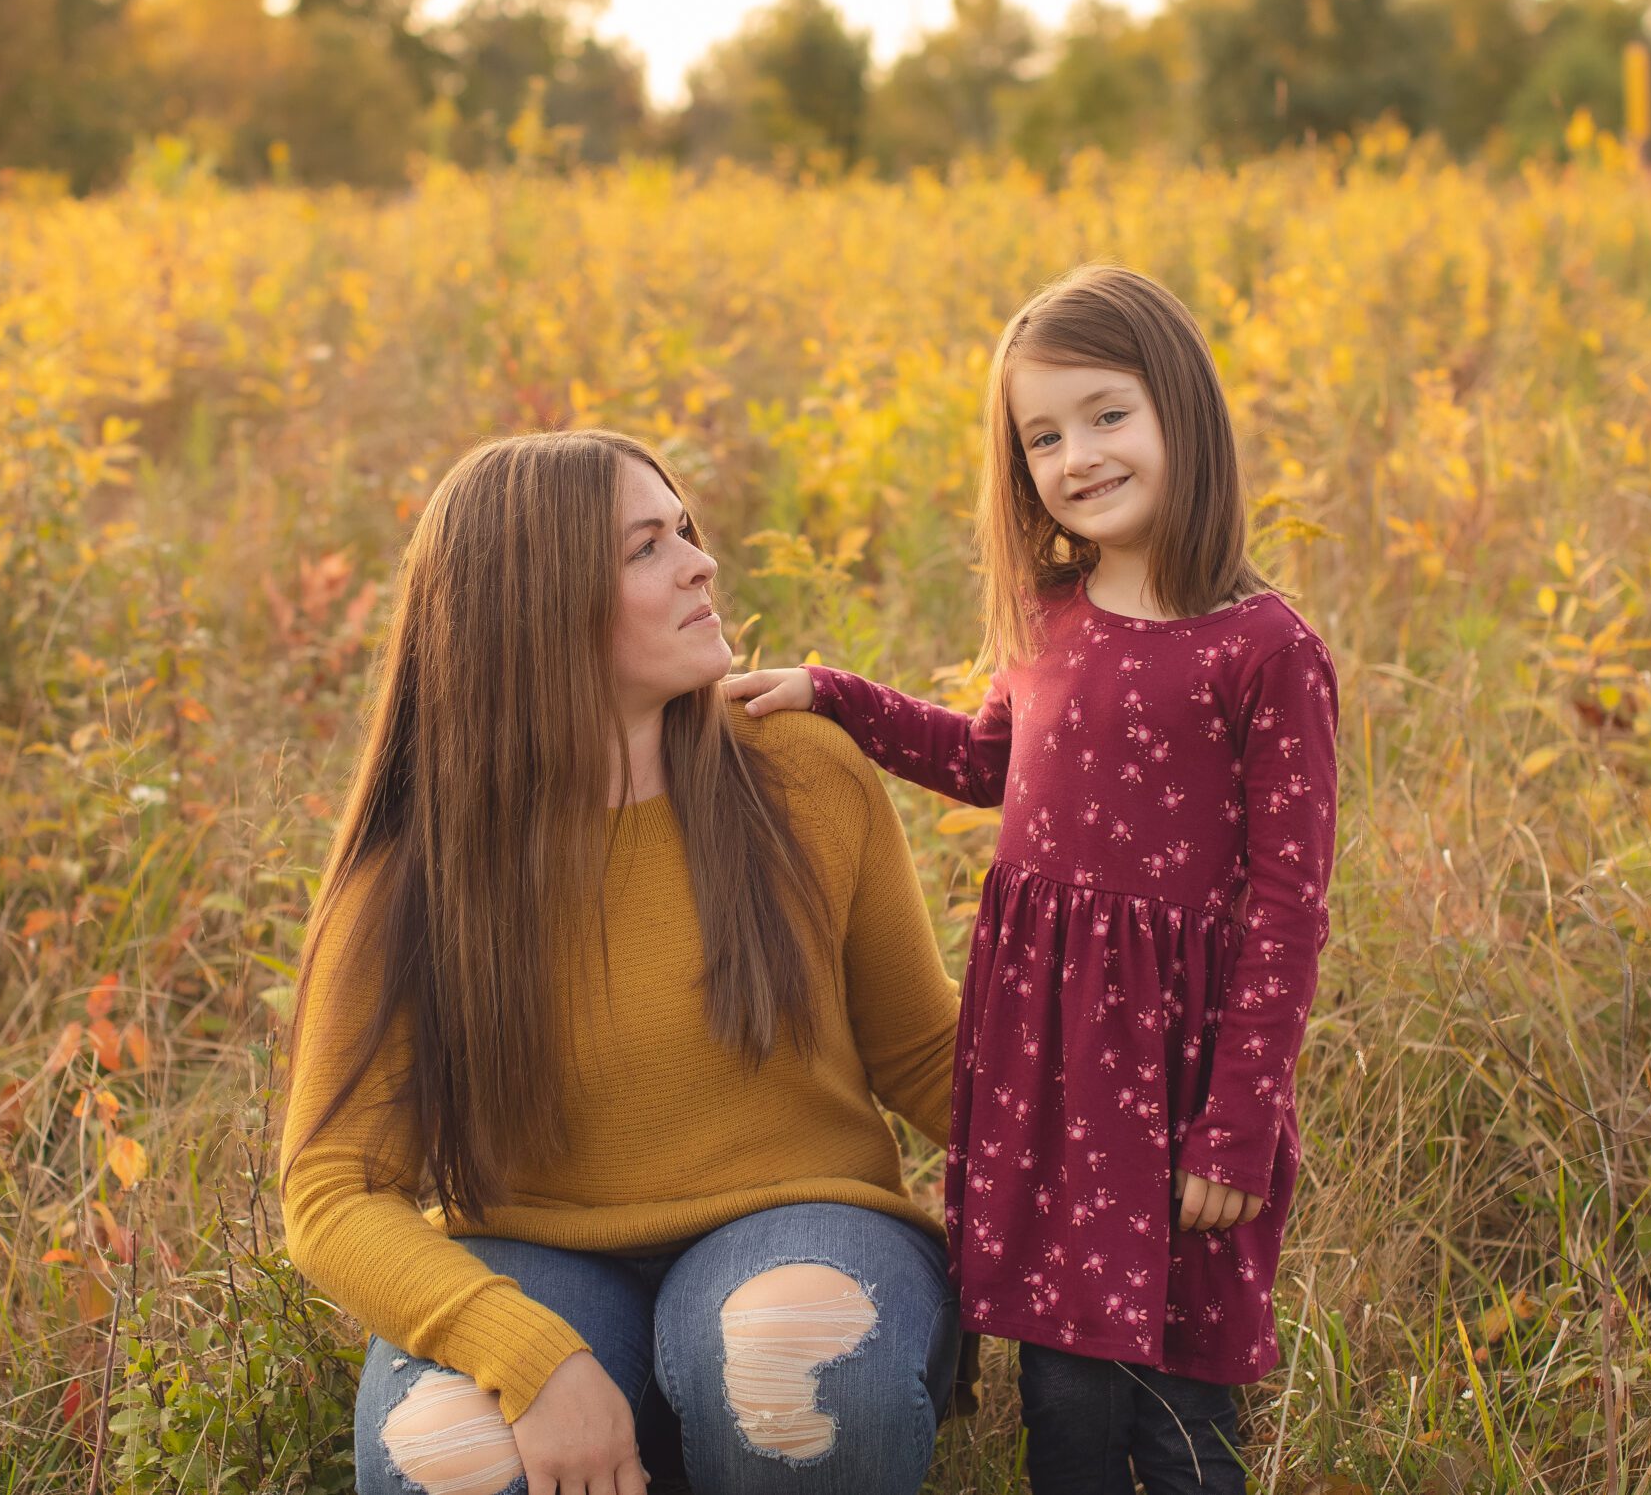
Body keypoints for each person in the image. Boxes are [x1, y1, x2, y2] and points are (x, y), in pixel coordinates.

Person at [726, 265, 1340, 1495]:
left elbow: (1286, 910)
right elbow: (981, 758)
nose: (1077, 457)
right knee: (1059, 1379)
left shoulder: (1267, 652)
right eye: (1042, 436)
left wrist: (1236, 1121)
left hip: (1178, 1066)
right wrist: (833, 696)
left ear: (1182, 410)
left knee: (1179, 1389)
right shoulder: (1049, 614)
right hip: (1055, 1061)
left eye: (1107, 415)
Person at [281, 429, 966, 1495]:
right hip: (529, 1255)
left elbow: (927, 1052)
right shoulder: (416, 873)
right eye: (646, 549)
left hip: (799, 1219)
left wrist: (1139, 1152)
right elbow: (332, 1190)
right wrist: (527, 1356)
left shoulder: (803, 771)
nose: (700, 562)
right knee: (451, 1457)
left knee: (787, 1365)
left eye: (683, 531)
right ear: (533, 610)